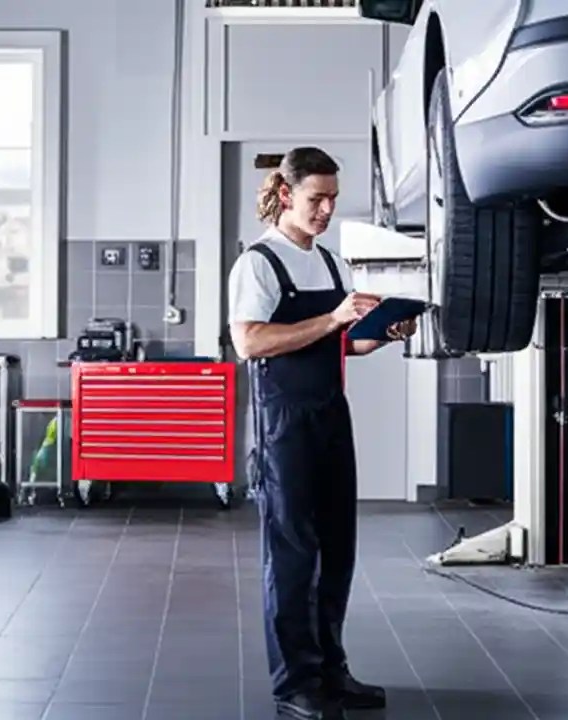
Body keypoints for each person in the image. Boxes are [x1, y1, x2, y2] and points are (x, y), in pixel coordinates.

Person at [227, 147, 415, 720]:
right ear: (286, 194)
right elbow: (250, 343)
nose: (326, 209)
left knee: (337, 550)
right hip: (284, 425)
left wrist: (385, 332)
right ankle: (295, 684)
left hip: (332, 417)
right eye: (316, 199)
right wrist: (334, 318)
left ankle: (332, 672)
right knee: (292, 556)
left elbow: (344, 344)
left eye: (332, 198)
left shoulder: (334, 265)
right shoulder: (259, 264)